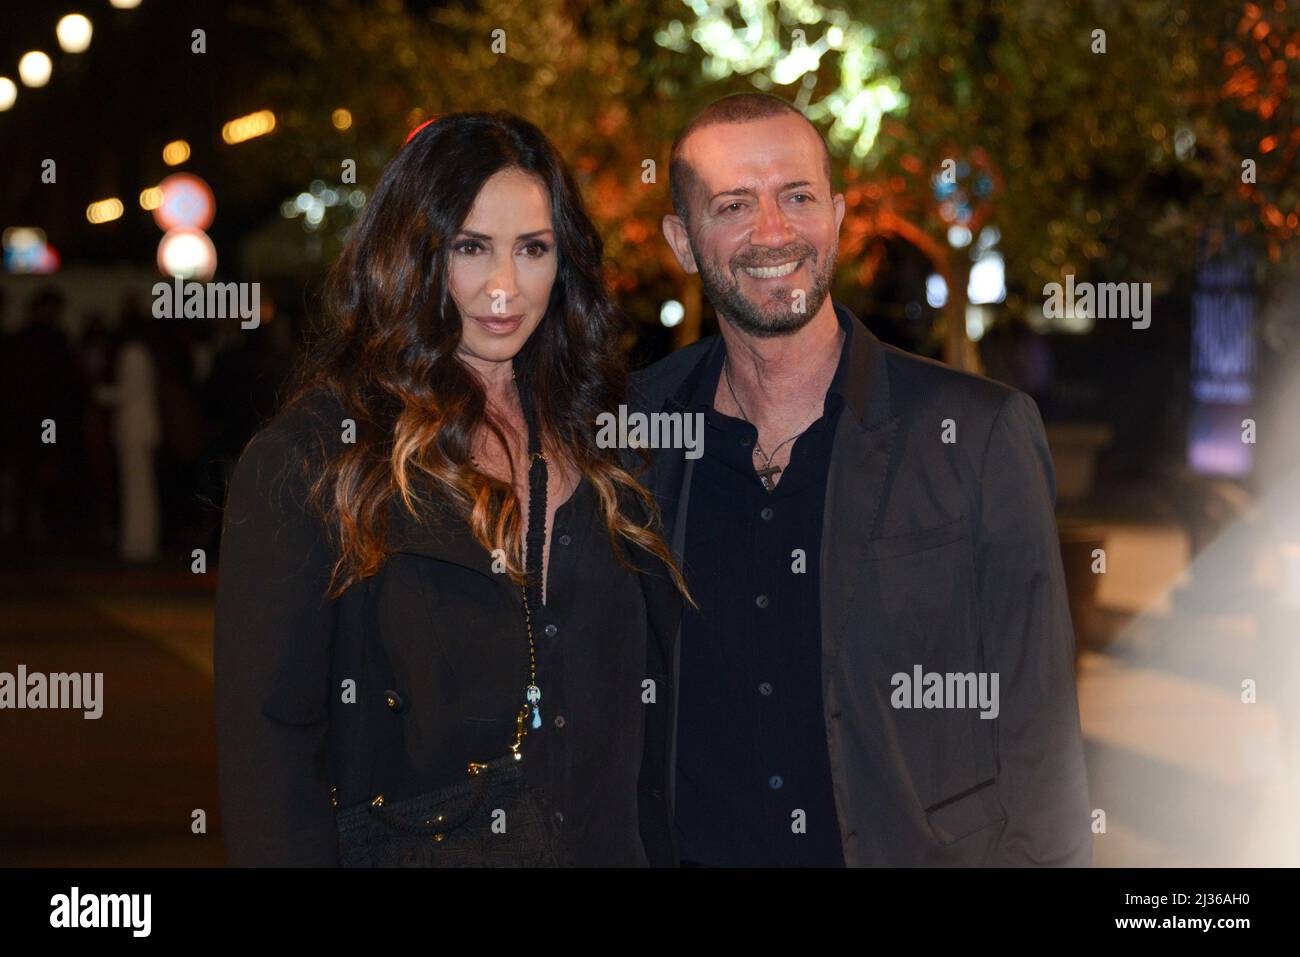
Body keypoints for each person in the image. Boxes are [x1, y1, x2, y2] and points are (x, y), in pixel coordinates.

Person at [213, 111, 687, 867]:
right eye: (470, 248)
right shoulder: (316, 459)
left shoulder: (610, 443)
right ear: (412, 252)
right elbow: (268, 751)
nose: (504, 287)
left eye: (532, 249)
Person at [631, 93, 1092, 867]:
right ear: (683, 239)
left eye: (797, 197)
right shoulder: (634, 433)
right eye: (734, 204)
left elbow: (1040, 733)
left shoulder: (976, 432)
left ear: (838, 216)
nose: (773, 231)